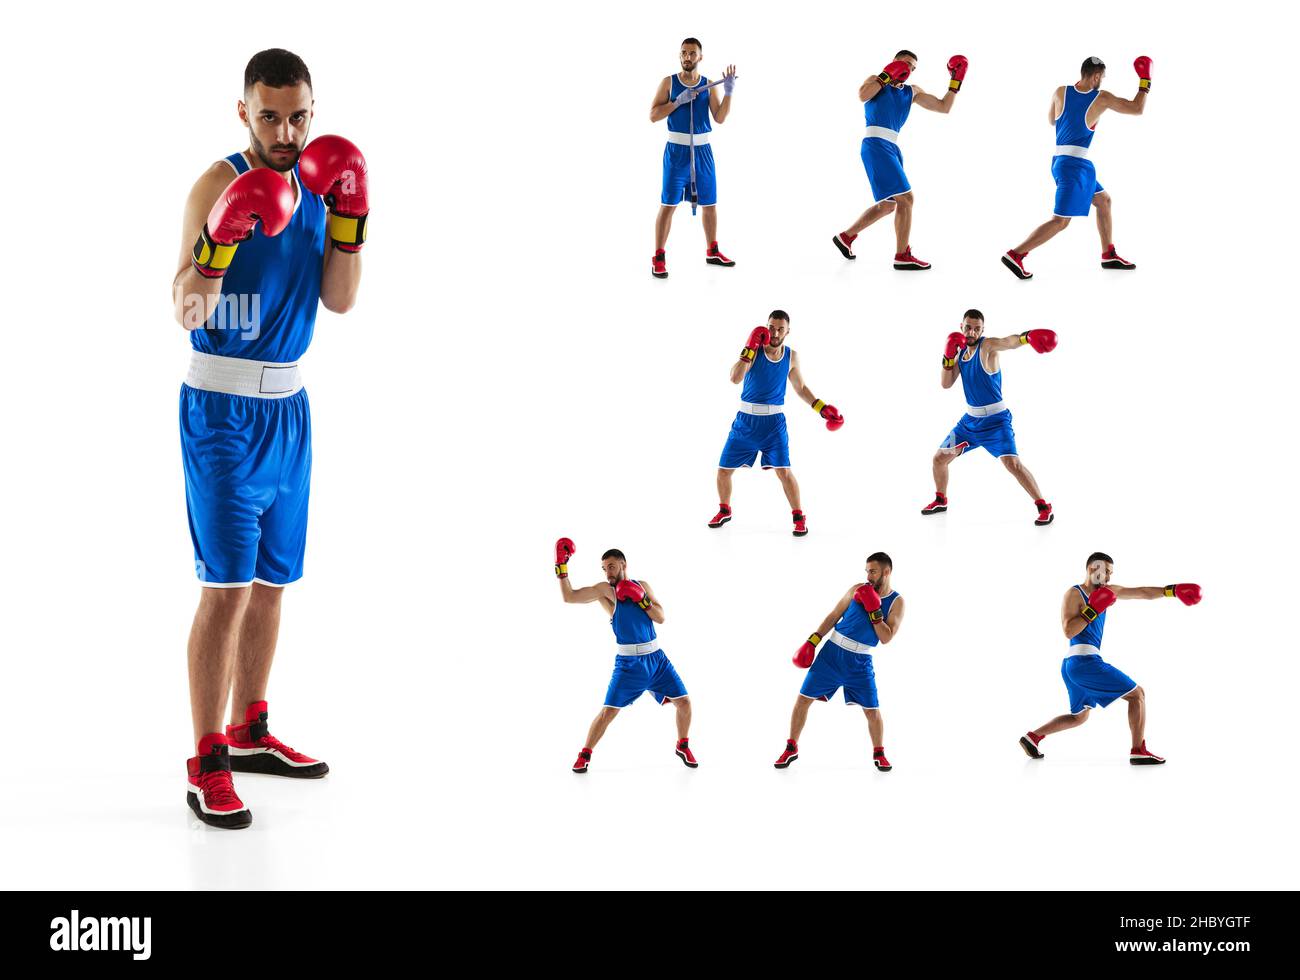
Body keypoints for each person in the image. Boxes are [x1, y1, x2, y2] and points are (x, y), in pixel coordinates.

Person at [172, 49, 368, 828]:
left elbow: (342, 302)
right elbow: (184, 310)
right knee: (225, 588)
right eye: (269, 116)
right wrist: (220, 242)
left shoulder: (323, 185)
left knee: (273, 580)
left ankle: (251, 731)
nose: (285, 132)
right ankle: (206, 760)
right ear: (243, 113)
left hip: (291, 412)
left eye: (298, 116)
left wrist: (350, 219)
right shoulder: (216, 185)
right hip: (220, 412)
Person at [1019, 553, 1201, 764]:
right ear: (1091, 569)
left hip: (1074, 665)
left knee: (1079, 717)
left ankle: (1033, 737)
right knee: (1137, 694)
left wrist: (1172, 590)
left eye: (1110, 574)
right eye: (1104, 572)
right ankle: (1138, 750)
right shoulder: (1074, 593)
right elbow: (1069, 631)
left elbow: (1141, 592)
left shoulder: (1108, 591)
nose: (1107, 578)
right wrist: (1093, 609)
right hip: (1083, 662)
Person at [1002, 56, 1152, 280]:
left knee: (1103, 201)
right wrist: (1145, 79)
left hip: (1062, 162)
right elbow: (1137, 108)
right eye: (1102, 76)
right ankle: (1016, 254)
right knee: (1060, 221)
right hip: (1074, 167)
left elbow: (1052, 120)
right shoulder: (1101, 97)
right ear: (1096, 76)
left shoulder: (1060, 91)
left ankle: (1108, 254)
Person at [555, 540, 698, 774]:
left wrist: (641, 599)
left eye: (611, 566)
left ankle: (682, 745)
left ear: (623, 564)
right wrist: (561, 567)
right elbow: (569, 597)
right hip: (628, 665)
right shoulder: (605, 591)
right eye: (604, 568)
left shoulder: (642, 585)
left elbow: (660, 617)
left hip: (657, 661)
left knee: (684, 702)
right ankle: (585, 754)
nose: (607, 572)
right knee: (608, 712)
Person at [709, 311, 843, 537]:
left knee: (784, 471)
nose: (775, 332)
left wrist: (821, 407)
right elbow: (734, 378)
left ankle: (799, 517)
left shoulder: (791, 356)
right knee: (723, 471)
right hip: (745, 422)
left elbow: (800, 388)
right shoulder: (754, 351)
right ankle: (725, 510)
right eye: (772, 327)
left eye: (781, 328)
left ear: (787, 331)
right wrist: (748, 347)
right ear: (766, 326)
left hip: (774, 424)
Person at [832, 50, 967, 270]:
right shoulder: (876, 80)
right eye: (905, 64)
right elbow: (863, 95)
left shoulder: (911, 91)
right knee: (907, 199)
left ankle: (846, 237)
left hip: (892, 147)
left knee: (888, 205)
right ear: (894, 62)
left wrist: (956, 80)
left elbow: (944, 107)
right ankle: (902, 255)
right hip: (875, 144)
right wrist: (886, 75)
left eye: (913, 68)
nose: (909, 69)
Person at [921, 310, 1055, 526]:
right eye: (968, 327)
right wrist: (947, 356)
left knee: (1013, 464)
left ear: (983, 329)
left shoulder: (988, 347)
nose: (971, 332)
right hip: (969, 425)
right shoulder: (960, 352)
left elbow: (1008, 342)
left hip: (996, 422)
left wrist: (1027, 337)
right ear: (961, 326)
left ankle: (1043, 507)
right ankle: (940, 500)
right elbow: (946, 384)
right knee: (939, 459)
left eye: (976, 328)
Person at [775, 553, 905, 772]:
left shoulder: (897, 602)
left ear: (886, 572)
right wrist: (813, 641)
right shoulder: (857, 588)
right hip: (831, 655)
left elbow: (886, 638)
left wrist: (875, 612)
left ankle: (879, 753)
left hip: (860, 662)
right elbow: (834, 615)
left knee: (872, 710)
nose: (868, 576)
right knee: (803, 699)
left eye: (872, 571)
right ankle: (791, 747)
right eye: (867, 571)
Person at [649, 37, 738, 278]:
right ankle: (658, 256)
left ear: (700, 57)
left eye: (692, 53)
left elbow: (719, 118)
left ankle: (712, 251)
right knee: (668, 204)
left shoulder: (709, 85)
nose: (687, 57)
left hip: (702, 152)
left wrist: (728, 92)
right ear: (680, 56)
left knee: (710, 204)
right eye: (683, 53)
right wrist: (677, 102)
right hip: (676, 151)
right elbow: (653, 115)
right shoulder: (668, 82)